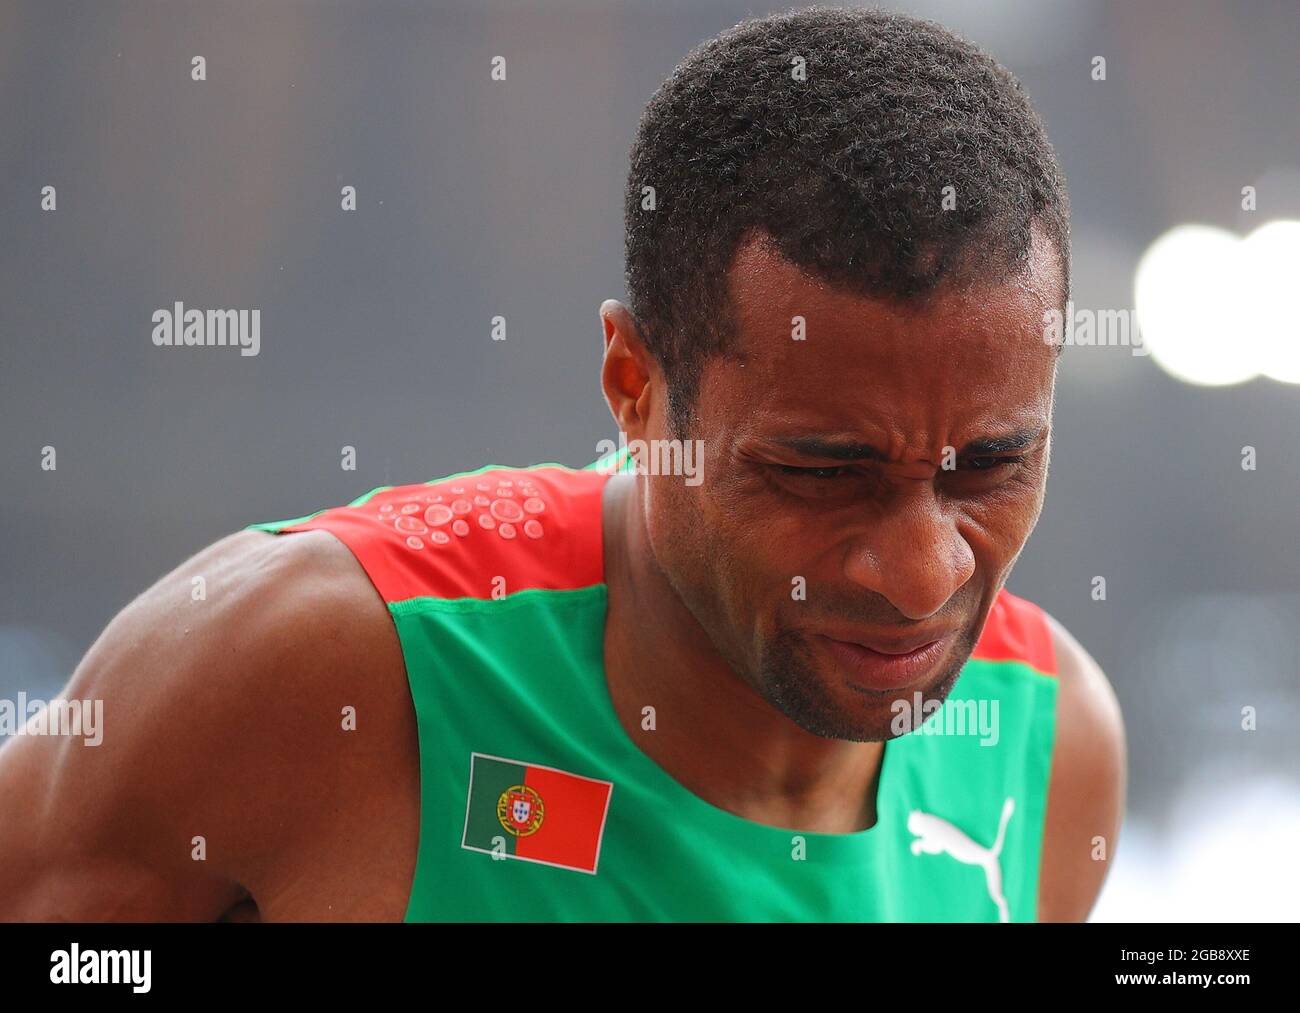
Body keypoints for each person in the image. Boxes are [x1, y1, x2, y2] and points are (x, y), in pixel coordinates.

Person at [0, 5, 1125, 922]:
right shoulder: (301, 668)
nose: (921, 574)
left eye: (987, 464)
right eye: (820, 470)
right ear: (635, 388)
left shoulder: (1052, 743)